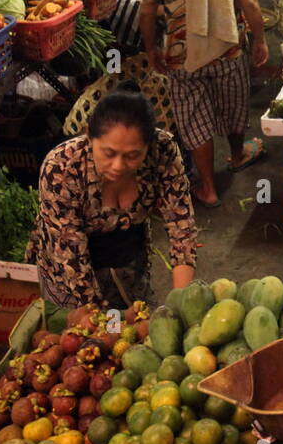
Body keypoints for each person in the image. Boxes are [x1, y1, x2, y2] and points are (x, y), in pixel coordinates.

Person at [140, 0, 269, 209]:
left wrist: (151, 50)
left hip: (182, 60)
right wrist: (261, 40)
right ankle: (238, 155)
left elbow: (146, 11)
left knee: (195, 121)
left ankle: (208, 188)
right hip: (226, 51)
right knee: (233, 103)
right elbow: (250, 3)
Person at [31, 89, 198, 309]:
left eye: (132, 155)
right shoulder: (62, 167)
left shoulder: (163, 151)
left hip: (130, 264)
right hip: (71, 280)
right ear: (90, 135)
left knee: (141, 330)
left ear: (148, 145)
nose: (119, 166)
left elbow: (181, 229)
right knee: (90, 339)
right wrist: (98, 320)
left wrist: (180, 304)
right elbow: (71, 255)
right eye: (109, 153)